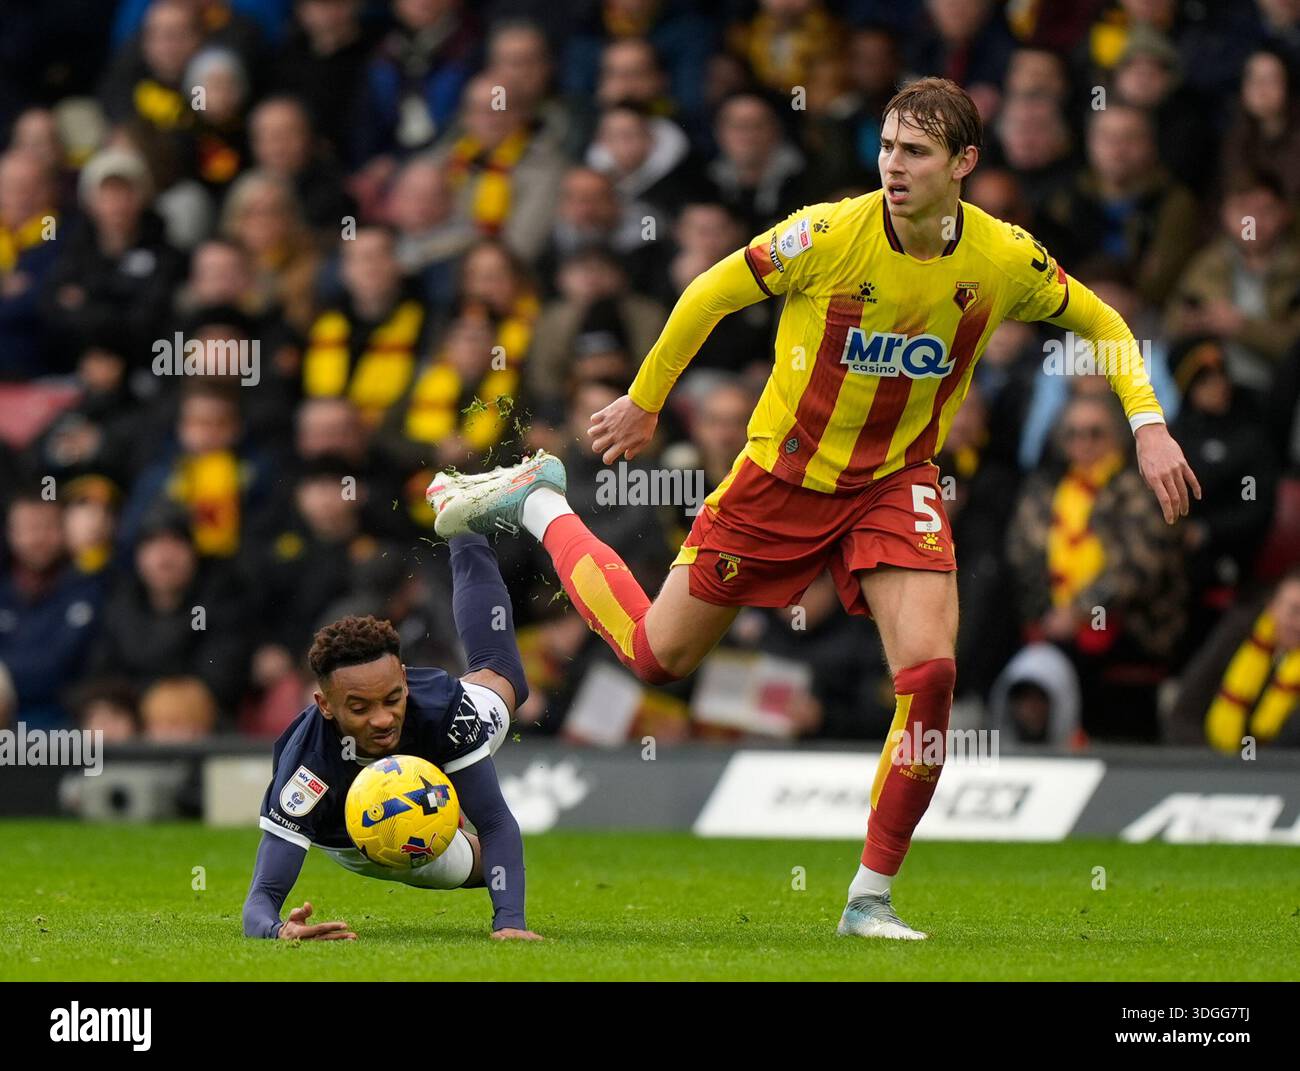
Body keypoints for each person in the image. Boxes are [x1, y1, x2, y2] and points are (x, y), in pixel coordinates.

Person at [428, 78, 1200, 940]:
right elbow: (712, 292)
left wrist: (1149, 425)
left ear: (964, 164)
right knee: (657, 657)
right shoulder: (829, 235)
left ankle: (869, 896)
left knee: (931, 675)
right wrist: (646, 401)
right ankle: (538, 503)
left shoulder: (1002, 258)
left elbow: (1106, 324)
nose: (893, 166)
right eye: (886, 146)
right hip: (779, 479)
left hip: (896, 481)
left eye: (914, 152)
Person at [241, 541, 537, 941]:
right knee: (493, 868)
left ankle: (466, 528)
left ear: (403, 676)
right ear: (325, 705)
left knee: (503, 677)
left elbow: (496, 819)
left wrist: (509, 924)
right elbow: (261, 899)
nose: (382, 720)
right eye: (360, 708)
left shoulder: (439, 705)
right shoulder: (307, 766)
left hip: (437, 756)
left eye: (393, 698)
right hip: (354, 842)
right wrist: (278, 931)